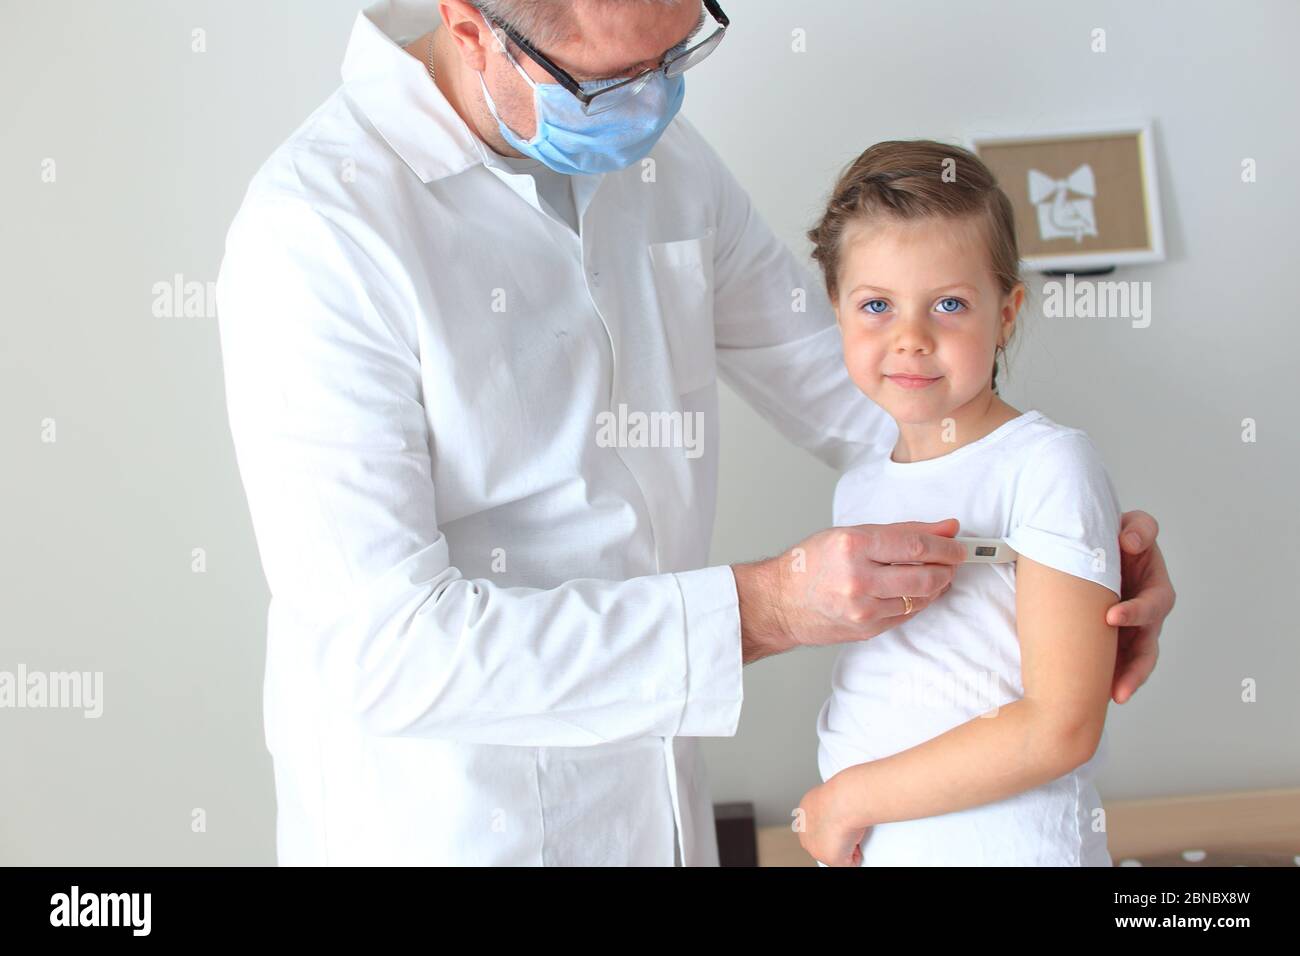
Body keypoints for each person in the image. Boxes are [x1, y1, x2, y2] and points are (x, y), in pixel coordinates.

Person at [215, 0, 1175, 866]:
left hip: (659, 809)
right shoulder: (319, 231)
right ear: (472, 30)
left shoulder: (666, 160)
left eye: (675, 55)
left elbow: (880, 394)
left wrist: (1068, 540)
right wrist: (767, 609)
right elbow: (389, 651)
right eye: (612, 80)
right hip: (453, 821)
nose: (653, 105)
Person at [796, 140, 1147, 866]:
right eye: (876, 305)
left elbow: (1060, 727)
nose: (911, 339)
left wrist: (846, 800)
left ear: (1008, 312)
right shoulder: (859, 484)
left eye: (949, 304)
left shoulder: (1046, 464)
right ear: (837, 310)